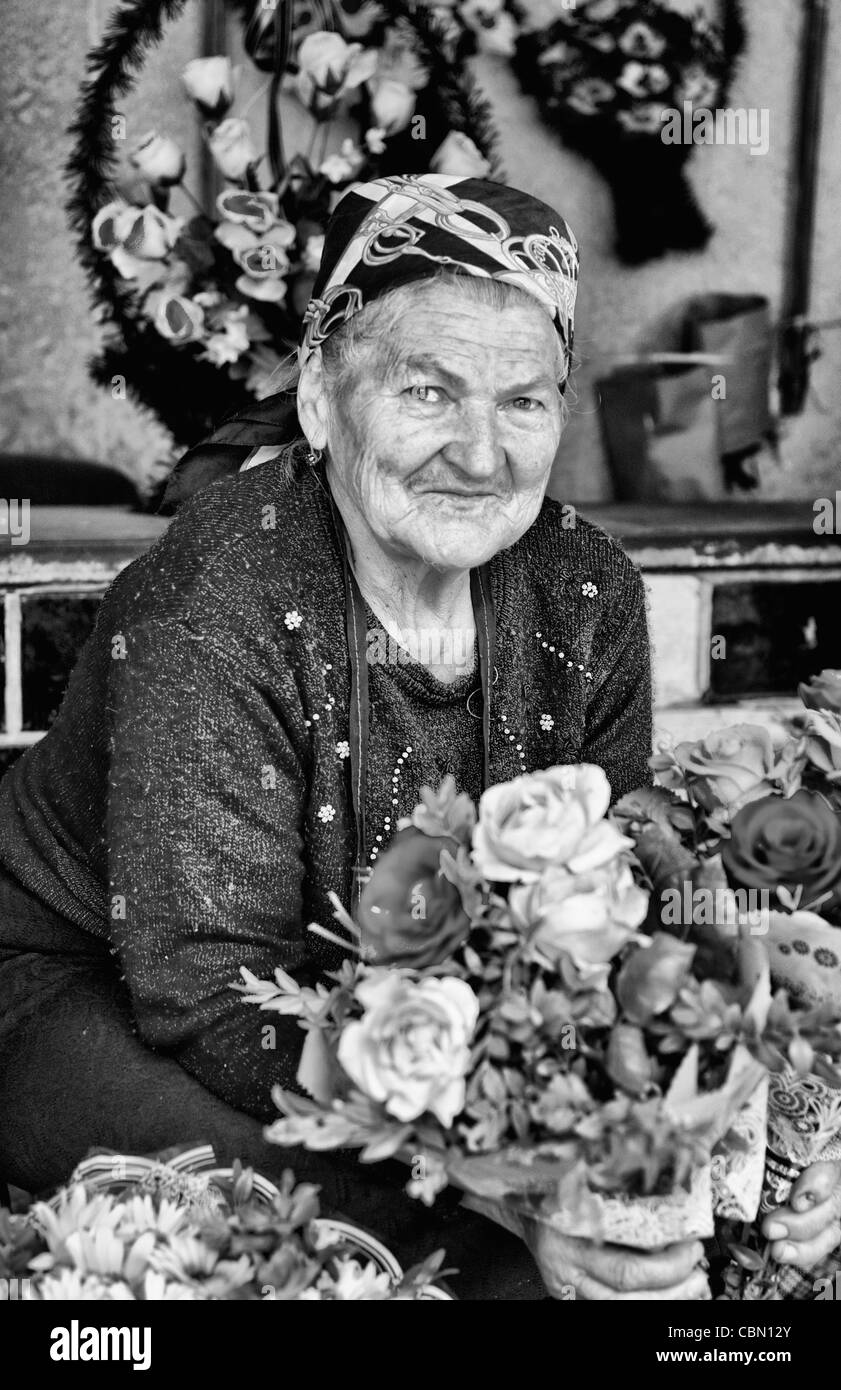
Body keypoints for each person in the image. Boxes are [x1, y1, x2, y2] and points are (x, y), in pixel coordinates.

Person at [0, 172, 763, 1299]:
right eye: (425, 390)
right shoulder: (219, 597)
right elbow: (203, 990)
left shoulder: (585, 591)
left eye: (524, 400)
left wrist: (685, 1113)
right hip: (104, 994)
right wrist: (502, 1177)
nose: (480, 451)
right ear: (321, 397)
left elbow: (601, 928)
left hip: (411, 1032)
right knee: (434, 1245)